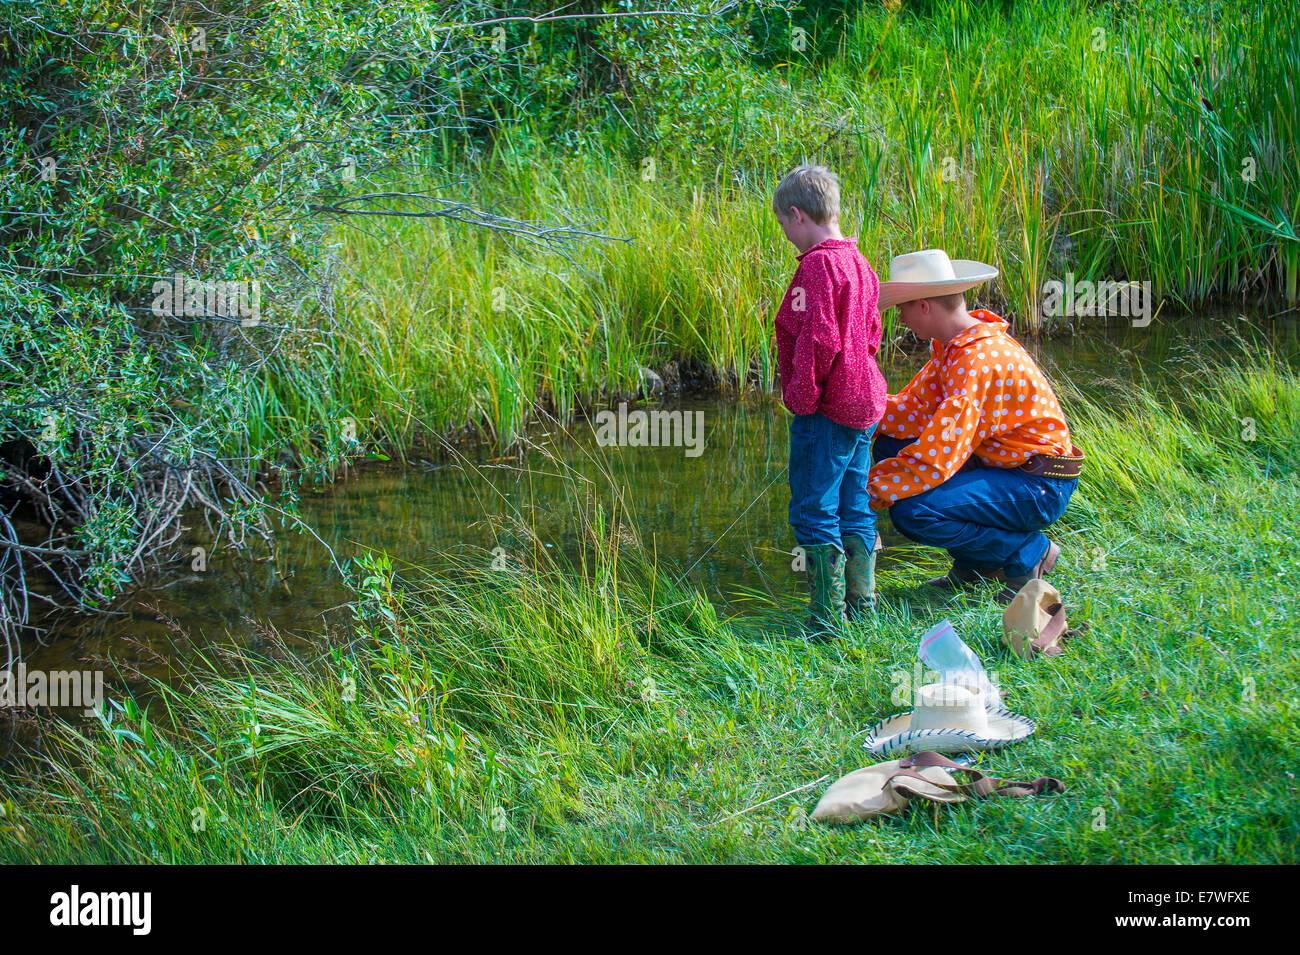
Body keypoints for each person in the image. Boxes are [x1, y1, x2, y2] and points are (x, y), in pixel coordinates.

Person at [866, 249, 1084, 602]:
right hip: (1008, 468)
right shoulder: (956, 346)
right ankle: (977, 565)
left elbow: (938, 456)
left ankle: (1027, 553)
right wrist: (861, 411)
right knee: (891, 442)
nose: (901, 318)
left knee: (913, 512)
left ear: (925, 306)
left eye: (904, 307)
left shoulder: (976, 362)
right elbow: (913, 410)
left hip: (1039, 485)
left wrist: (871, 490)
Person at [771, 165, 887, 634]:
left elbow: (819, 338)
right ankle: (863, 605)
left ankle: (827, 619)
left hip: (829, 406)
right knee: (854, 503)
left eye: (783, 224)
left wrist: (802, 397)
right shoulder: (860, 262)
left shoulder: (818, 265)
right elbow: (872, 334)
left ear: (797, 215)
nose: (786, 234)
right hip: (864, 402)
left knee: (814, 507)